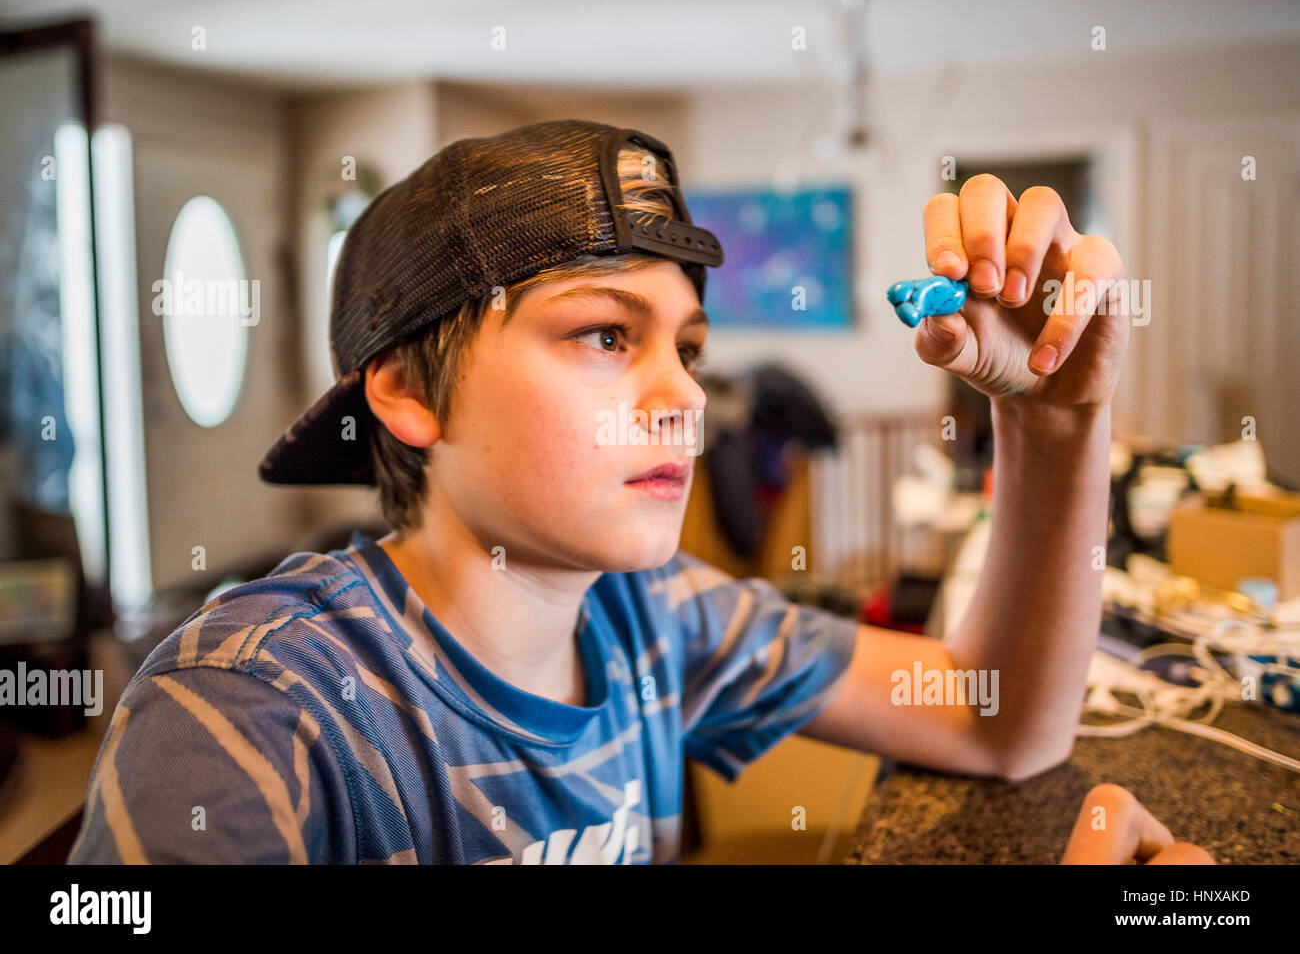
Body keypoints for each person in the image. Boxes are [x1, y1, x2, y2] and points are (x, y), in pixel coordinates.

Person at [67, 119, 1210, 864]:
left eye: (691, 349)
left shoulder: (653, 618)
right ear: (410, 390)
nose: (688, 402)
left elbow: (994, 715)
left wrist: (1054, 421)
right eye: (607, 334)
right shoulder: (256, 711)